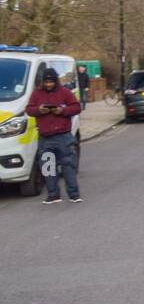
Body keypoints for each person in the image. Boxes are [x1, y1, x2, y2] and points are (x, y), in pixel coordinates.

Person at [25, 67, 82, 205]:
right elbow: (29, 109)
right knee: (48, 167)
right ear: (42, 82)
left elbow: (76, 107)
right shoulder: (36, 94)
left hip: (63, 136)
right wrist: (39, 110)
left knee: (68, 166)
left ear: (55, 81)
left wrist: (62, 111)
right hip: (45, 137)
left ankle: (74, 195)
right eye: (46, 82)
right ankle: (53, 195)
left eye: (51, 82)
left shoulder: (65, 92)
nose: (48, 84)